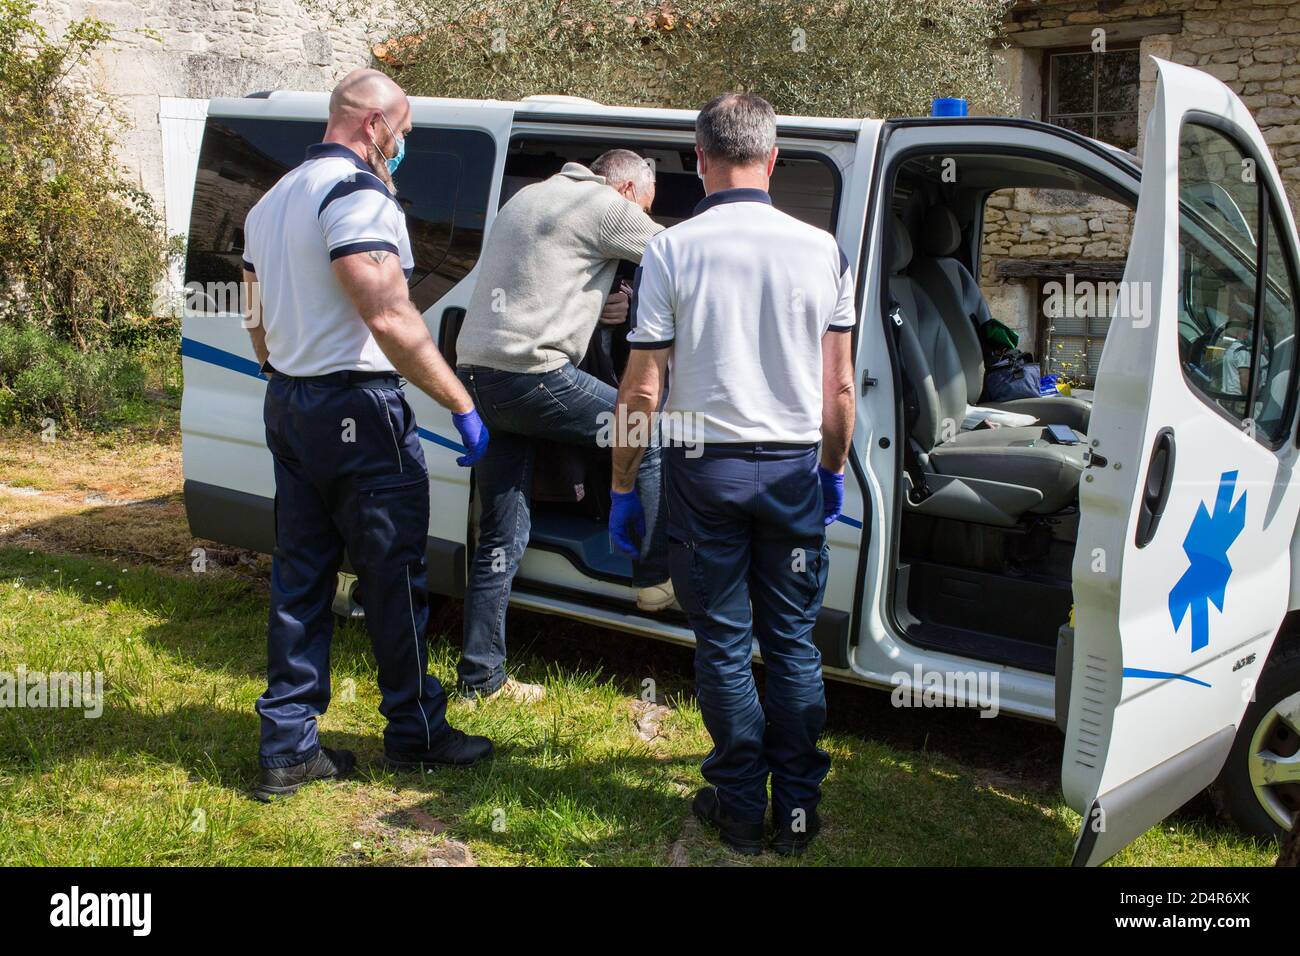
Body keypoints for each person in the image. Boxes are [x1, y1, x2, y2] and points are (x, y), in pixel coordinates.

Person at [610, 93, 857, 856]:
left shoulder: (672, 249)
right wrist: (831, 470)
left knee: (722, 644)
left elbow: (644, 387)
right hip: (789, 470)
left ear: (699, 158)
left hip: (702, 470)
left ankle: (742, 807)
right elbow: (838, 389)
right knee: (790, 643)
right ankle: (798, 812)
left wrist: (622, 486)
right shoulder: (822, 249)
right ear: (774, 158)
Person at [241, 68, 493, 801]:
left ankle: (287, 747)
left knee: (300, 575)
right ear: (373, 124)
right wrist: (461, 405)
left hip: (290, 403)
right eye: (404, 130)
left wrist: (287, 374)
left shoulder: (270, 199)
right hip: (359, 411)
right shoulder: (356, 195)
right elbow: (388, 316)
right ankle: (415, 732)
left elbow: (256, 318)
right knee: (392, 576)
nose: (404, 143)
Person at [451, 148, 675, 703]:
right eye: (646, 206)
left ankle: (482, 679)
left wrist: (600, 303)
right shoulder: (604, 204)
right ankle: (653, 580)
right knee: (642, 435)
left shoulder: (531, 196)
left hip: (480, 376)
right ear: (628, 190)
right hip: (532, 374)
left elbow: (542, 277)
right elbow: (680, 257)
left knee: (502, 535)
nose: (643, 217)